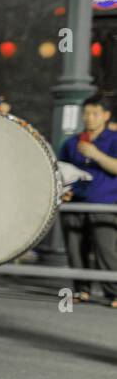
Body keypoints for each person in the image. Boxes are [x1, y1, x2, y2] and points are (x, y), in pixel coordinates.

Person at [59, 94, 117, 305]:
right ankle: (81, 289)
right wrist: (64, 191)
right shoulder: (72, 142)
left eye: (95, 113)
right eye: (86, 113)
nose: (89, 118)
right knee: (75, 248)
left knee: (106, 249)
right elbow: (61, 170)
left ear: (106, 115)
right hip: (75, 204)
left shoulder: (113, 139)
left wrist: (96, 154)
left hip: (105, 205)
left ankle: (114, 292)